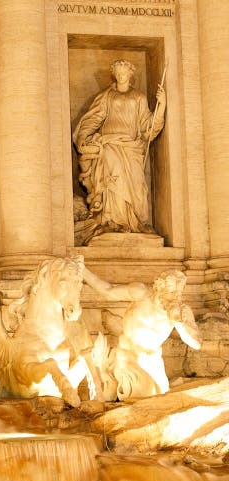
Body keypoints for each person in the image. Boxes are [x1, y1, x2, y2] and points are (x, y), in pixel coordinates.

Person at [73, 59, 165, 244]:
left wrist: (161, 106)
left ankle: (133, 223)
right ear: (114, 74)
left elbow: (148, 126)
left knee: (137, 186)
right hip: (110, 145)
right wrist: (84, 136)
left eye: (125, 72)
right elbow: (94, 118)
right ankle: (112, 221)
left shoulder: (139, 97)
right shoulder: (107, 96)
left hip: (132, 148)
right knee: (113, 181)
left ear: (131, 74)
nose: (121, 75)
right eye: (118, 72)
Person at [82, 267, 201, 400]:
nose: (176, 297)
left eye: (179, 293)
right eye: (172, 292)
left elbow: (196, 344)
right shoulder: (141, 293)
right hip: (127, 357)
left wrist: (180, 324)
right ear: (160, 287)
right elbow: (108, 291)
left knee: (159, 401)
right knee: (144, 397)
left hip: (152, 361)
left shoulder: (182, 311)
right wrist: (83, 271)